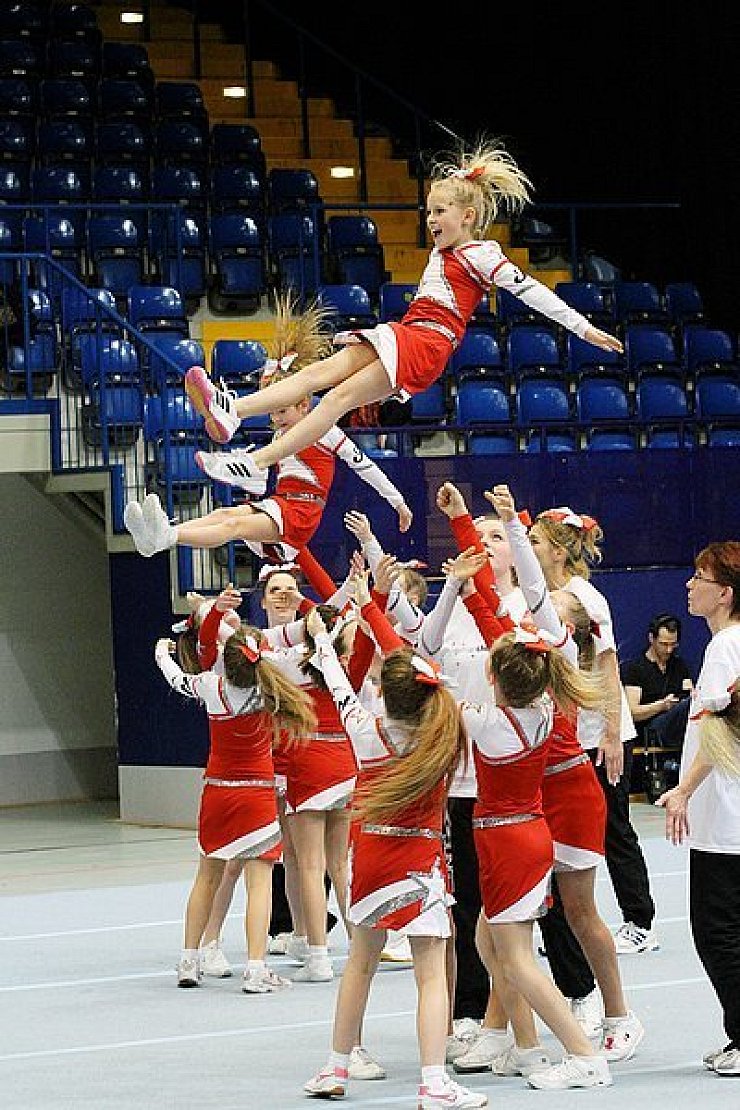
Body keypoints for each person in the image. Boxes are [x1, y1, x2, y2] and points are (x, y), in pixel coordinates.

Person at [182, 137, 623, 493]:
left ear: (467, 216)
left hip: (427, 344)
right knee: (322, 373)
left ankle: (258, 462)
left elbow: (532, 293)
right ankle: (233, 410)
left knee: (336, 399)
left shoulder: (481, 254)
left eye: (439, 211)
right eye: (428, 210)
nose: (429, 218)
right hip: (408, 332)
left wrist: (583, 328)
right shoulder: (445, 249)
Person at [302, 576, 488, 1109]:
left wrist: (322, 637)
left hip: (371, 863)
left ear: (382, 691)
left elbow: (337, 684)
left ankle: (336, 1065)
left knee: (360, 964)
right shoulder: (448, 735)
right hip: (419, 866)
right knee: (431, 976)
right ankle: (433, 1081)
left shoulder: (364, 728)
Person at [122, 292, 412, 561]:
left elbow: (365, 467)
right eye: (271, 413)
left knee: (233, 524)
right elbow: (263, 483)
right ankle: (157, 537)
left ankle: (168, 535)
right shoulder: (280, 437)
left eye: (282, 410)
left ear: (304, 405)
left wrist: (397, 502)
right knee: (225, 514)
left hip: (300, 512)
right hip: (280, 501)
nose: (276, 418)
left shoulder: (325, 430)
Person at [153, 588, 318, 993]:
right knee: (259, 882)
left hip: (217, 794)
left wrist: (163, 653)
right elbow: (290, 645)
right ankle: (257, 968)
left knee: (206, 877)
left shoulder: (211, 686)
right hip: (257, 796)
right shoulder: (271, 691)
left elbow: (176, 677)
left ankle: (188, 961)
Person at [527, 507, 659, 969]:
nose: (530, 547)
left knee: (614, 829)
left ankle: (639, 921)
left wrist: (610, 735)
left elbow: (606, 666)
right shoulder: (536, 594)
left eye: (536, 541)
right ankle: (561, 927)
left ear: (559, 551)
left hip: (597, 734)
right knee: (559, 835)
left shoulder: (586, 597)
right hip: (558, 735)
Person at [656, 542, 740, 1076]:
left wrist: (683, 790)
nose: (690, 584)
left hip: (724, 817)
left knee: (717, 930)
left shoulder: (723, 650)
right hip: (726, 816)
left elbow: (717, 732)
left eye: (700, 577)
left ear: (725, 593)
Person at [621, 613, 693, 751]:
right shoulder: (635, 668)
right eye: (663, 644)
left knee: (694, 703)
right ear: (651, 639)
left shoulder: (679, 666)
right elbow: (632, 713)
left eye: (673, 644)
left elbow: (689, 693)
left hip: (679, 725)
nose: (668, 650)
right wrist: (661, 706)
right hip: (650, 729)